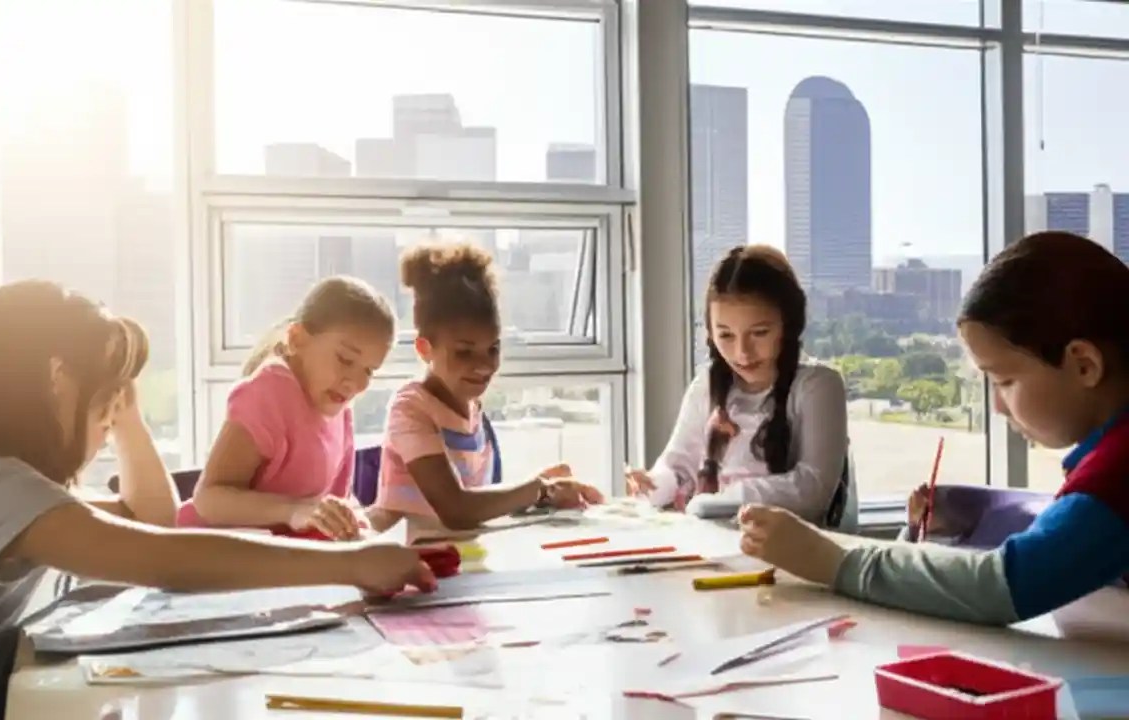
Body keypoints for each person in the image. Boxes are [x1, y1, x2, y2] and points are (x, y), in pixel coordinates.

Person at [0, 281, 433, 720]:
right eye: (105, 401)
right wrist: (349, 565)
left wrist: (124, 419)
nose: (107, 422)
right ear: (57, 382)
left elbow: (151, 514)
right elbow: (162, 556)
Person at [738, 231, 1129, 626]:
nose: (996, 405)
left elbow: (1006, 586)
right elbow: (1074, 528)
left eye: (1005, 381)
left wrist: (831, 561)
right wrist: (974, 520)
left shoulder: (1118, 472)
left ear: (1084, 365)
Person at [371, 242, 605, 531]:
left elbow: (476, 500)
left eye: (492, 348)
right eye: (464, 352)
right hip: (408, 562)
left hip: (460, 560)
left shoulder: (473, 409)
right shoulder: (410, 407)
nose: (484, 365)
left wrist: (546, 490)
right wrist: (537, 489)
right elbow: (456, 509)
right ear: (424, 349)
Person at [626, 245, 849, 525]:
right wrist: (653, 484)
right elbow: (677, 465)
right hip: (710, 546)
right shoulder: (707, 384)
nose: (742, 352)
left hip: (788, 556)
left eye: (759, 333)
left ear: (788, 325)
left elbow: (812, 490)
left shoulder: (817, 387)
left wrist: (720, 500)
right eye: (726, 335)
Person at [178, 277, 394, 540]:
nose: (357, 384)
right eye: (346, 359)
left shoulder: (340, 411)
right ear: (297, 339)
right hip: (211, 558)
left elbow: (340, 503)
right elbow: (208, 499)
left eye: (369, 371)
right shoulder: (268, 395)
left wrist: (359, 526)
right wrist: (293, 511)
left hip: (283, 564)